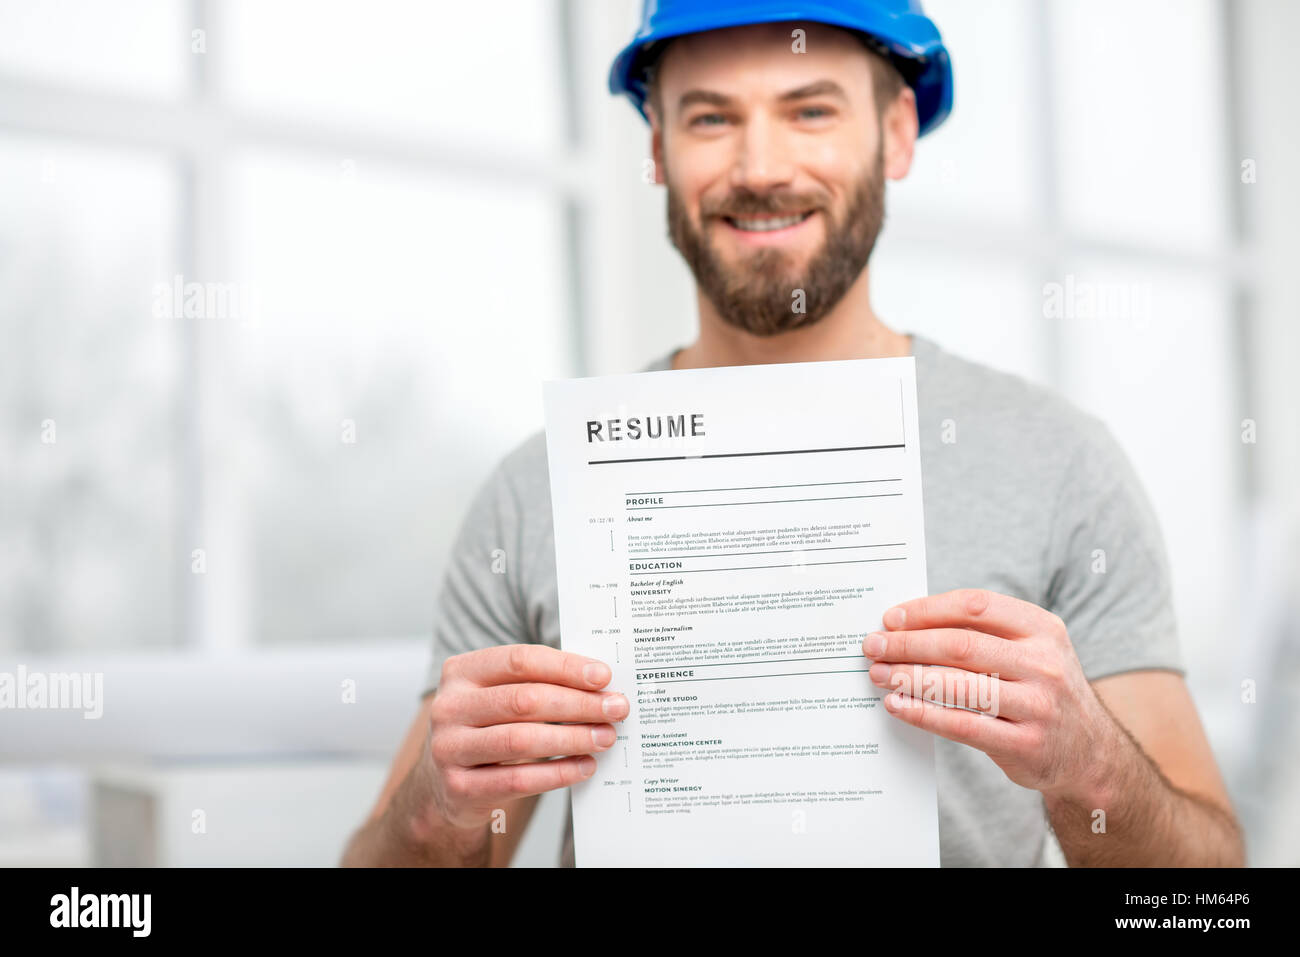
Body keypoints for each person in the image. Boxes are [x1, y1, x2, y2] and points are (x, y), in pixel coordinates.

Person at [341, 0, 1244, 867]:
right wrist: (437, 805)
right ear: (656, 147)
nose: (761, 166)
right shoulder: (534, 495)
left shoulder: (1061, 469)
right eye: (709, 119)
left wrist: (1089, 762)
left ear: (894, 131)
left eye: (810, 109)